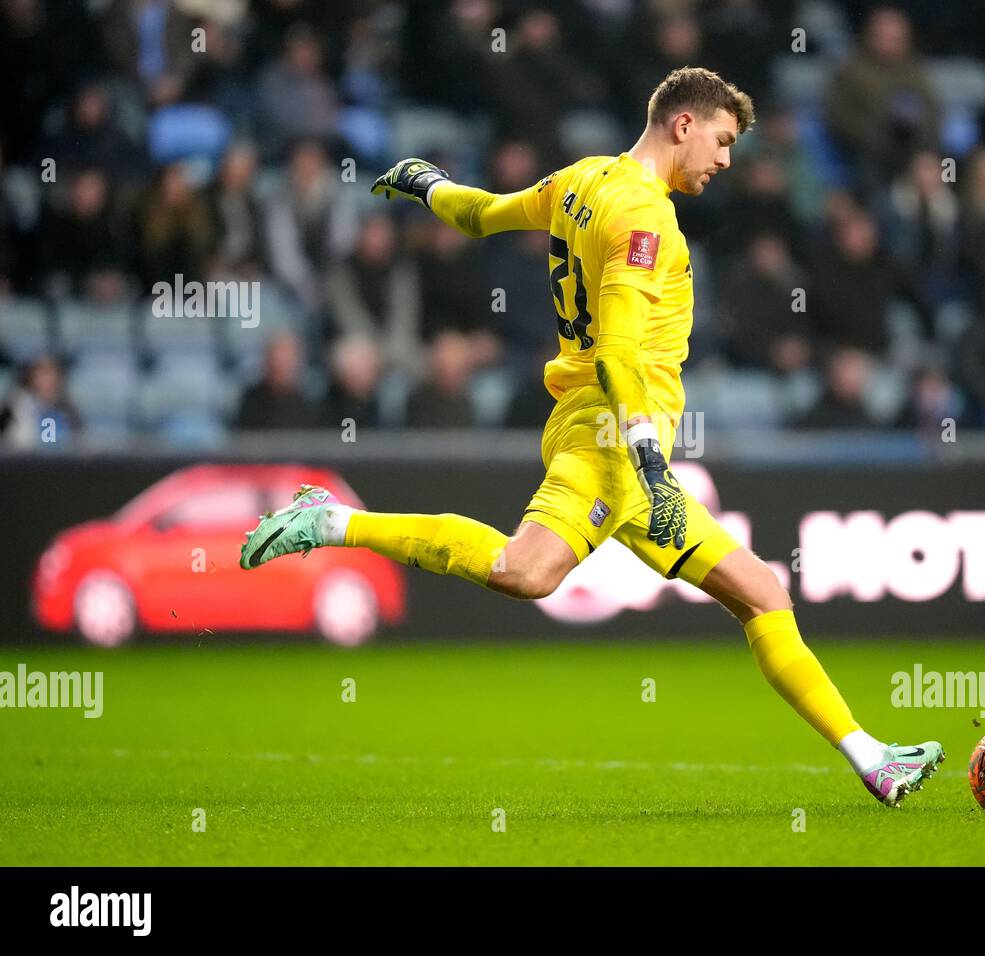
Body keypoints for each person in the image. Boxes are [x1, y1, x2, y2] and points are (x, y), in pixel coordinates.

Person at [239, 67, 943, 807]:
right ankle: (329, 519)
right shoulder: (645, 219)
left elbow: (480, 214)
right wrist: (648, 460)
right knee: (526, 571)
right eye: (724, 140)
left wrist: (425, 184)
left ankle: (871, 758)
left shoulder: (581, 181)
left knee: (762, 593)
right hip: (612, 439)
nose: (727, 159)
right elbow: (615, 352)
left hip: (599, 426)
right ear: (683, 125)